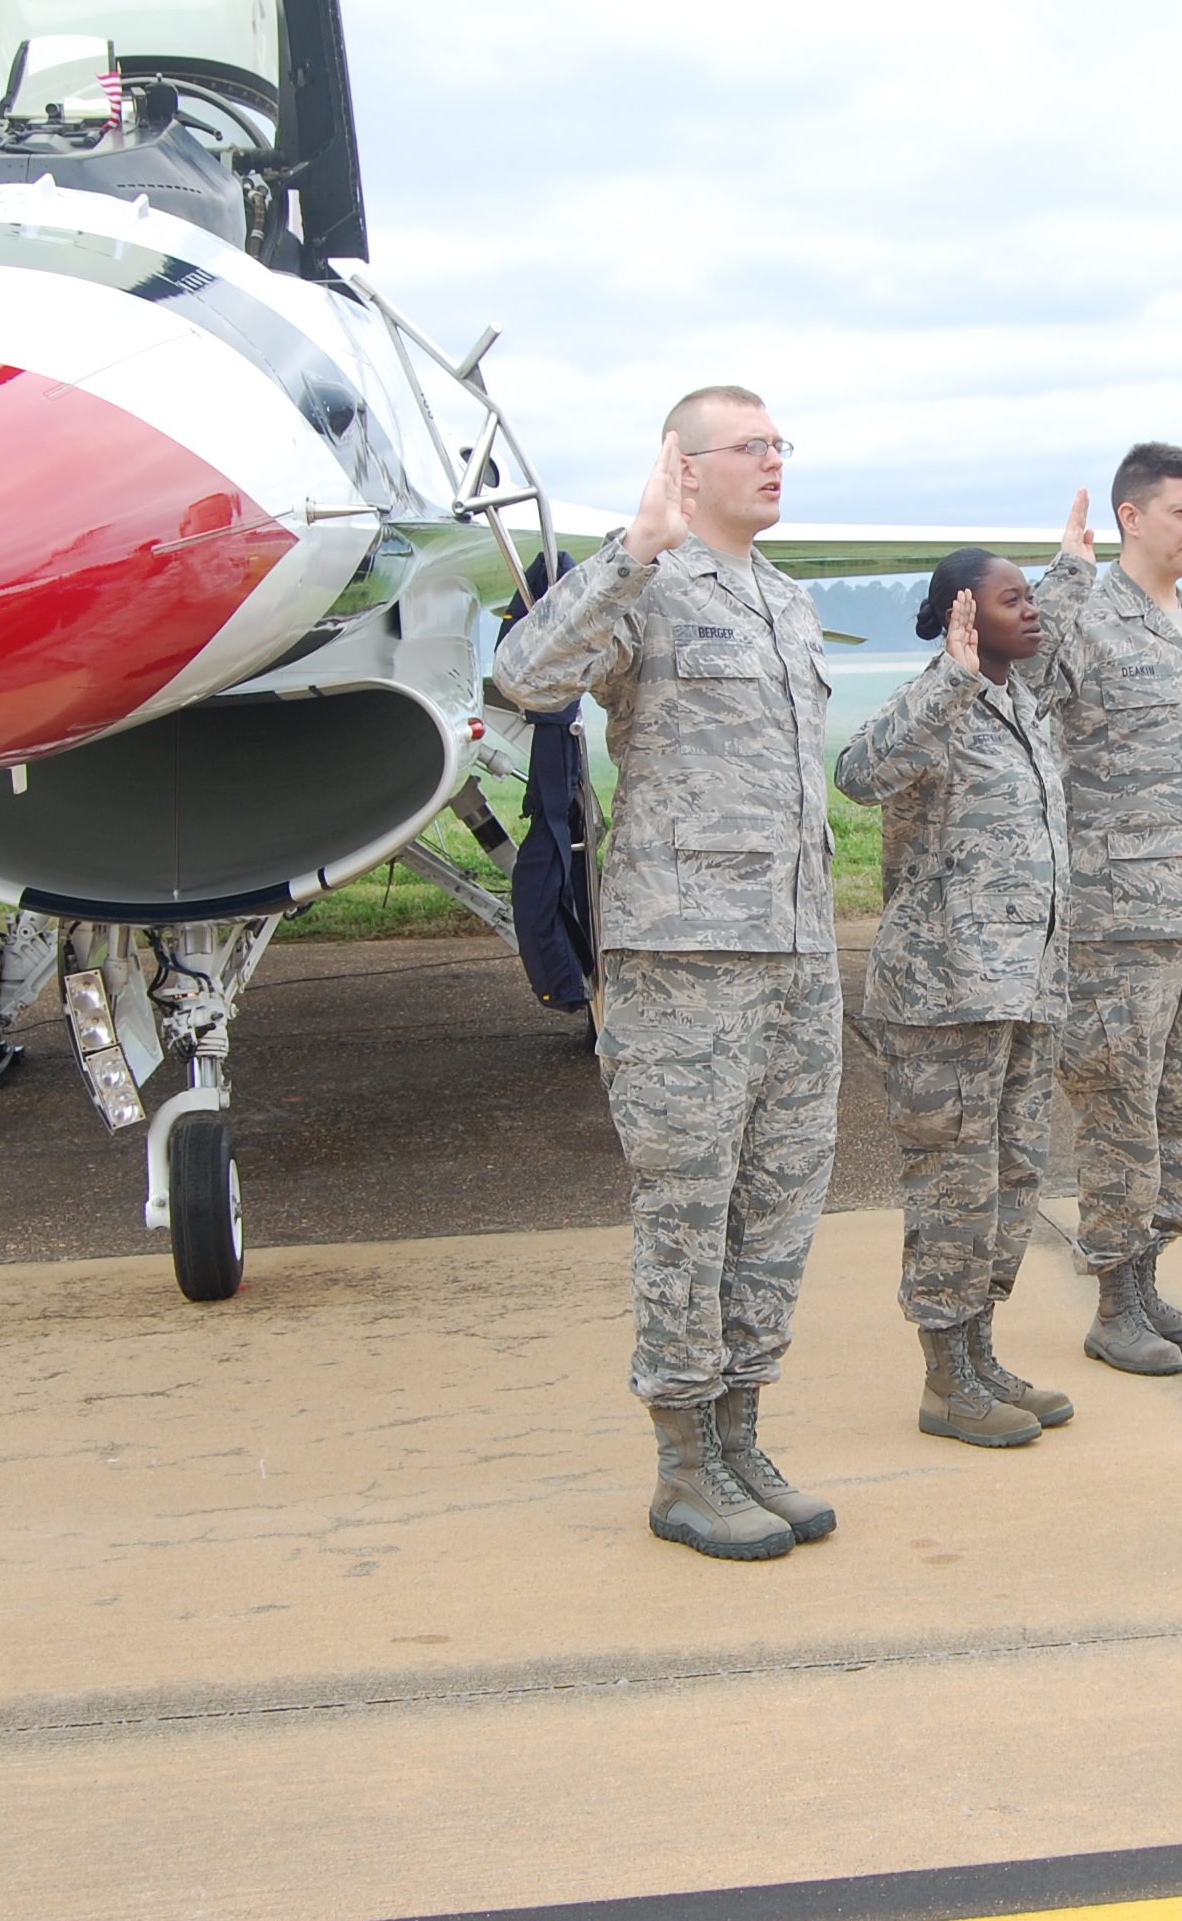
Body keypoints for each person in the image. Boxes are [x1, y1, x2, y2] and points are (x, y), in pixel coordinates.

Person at [492, 386, 840, 1564]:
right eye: (751, 445)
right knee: (687, 1211)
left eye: (779, 443)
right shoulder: (647, 581)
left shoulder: (788, 605)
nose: (774, 460)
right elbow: (526, 678)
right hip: (685, 956)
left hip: (795, 954)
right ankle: (682, 1463)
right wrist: (630, 550)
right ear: (683, 468)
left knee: (776, 1208)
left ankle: (743, 1434)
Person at [835, 546, 1075, 1450]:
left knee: (1012, 1178)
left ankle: (978, 1352)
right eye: (1016, 599)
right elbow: (858, 775)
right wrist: (950, 676)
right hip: (943, 992)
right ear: (965, 612)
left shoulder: (1020, 704)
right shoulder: (938, 702)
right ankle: (944, 1381)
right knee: (953, 1186)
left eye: (1035, 596)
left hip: (1023, 988)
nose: (1035, 610)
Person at [1024, 451, 1182, 1374]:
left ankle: (1148, 1281)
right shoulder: (1086, 621)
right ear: (1130, 517)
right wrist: (1061, 582)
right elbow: (1017, 688)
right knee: (1120, 1113)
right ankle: (1114, 1302)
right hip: (1114, 924)